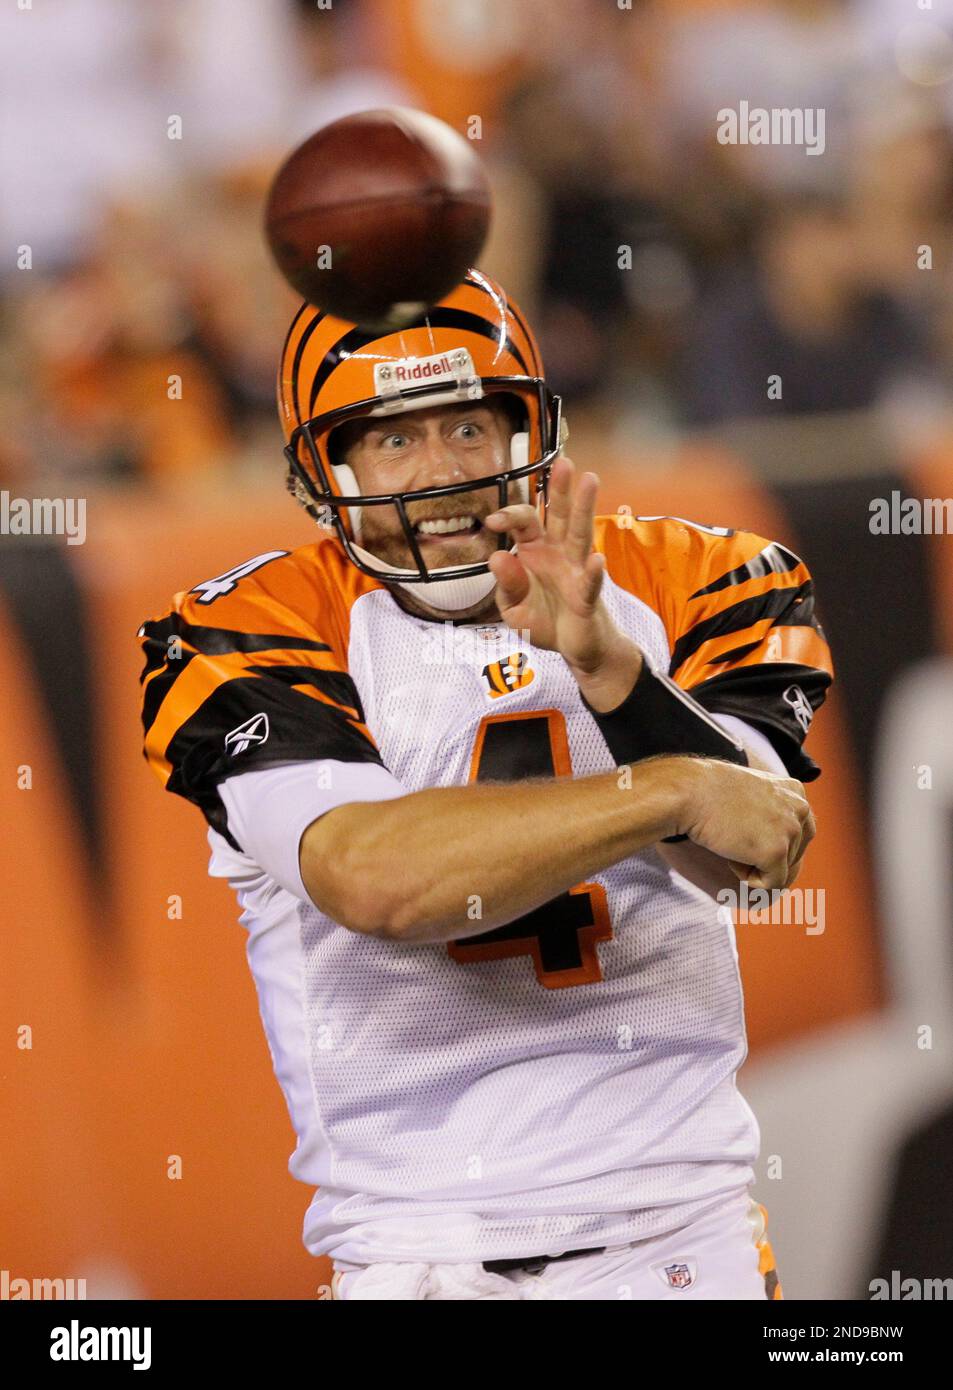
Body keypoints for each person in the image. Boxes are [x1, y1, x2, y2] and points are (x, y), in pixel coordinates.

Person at [138, 268, 832, 1300]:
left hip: (681, 1243)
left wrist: (615, 678)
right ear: (320, 470)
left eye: (466, 427)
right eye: (391, 437)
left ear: (528, 430)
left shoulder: (700, 576)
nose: (440, 474)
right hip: (419, 1253)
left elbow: (754, 854)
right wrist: (662, 788)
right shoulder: (246, 629)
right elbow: (375, 881)